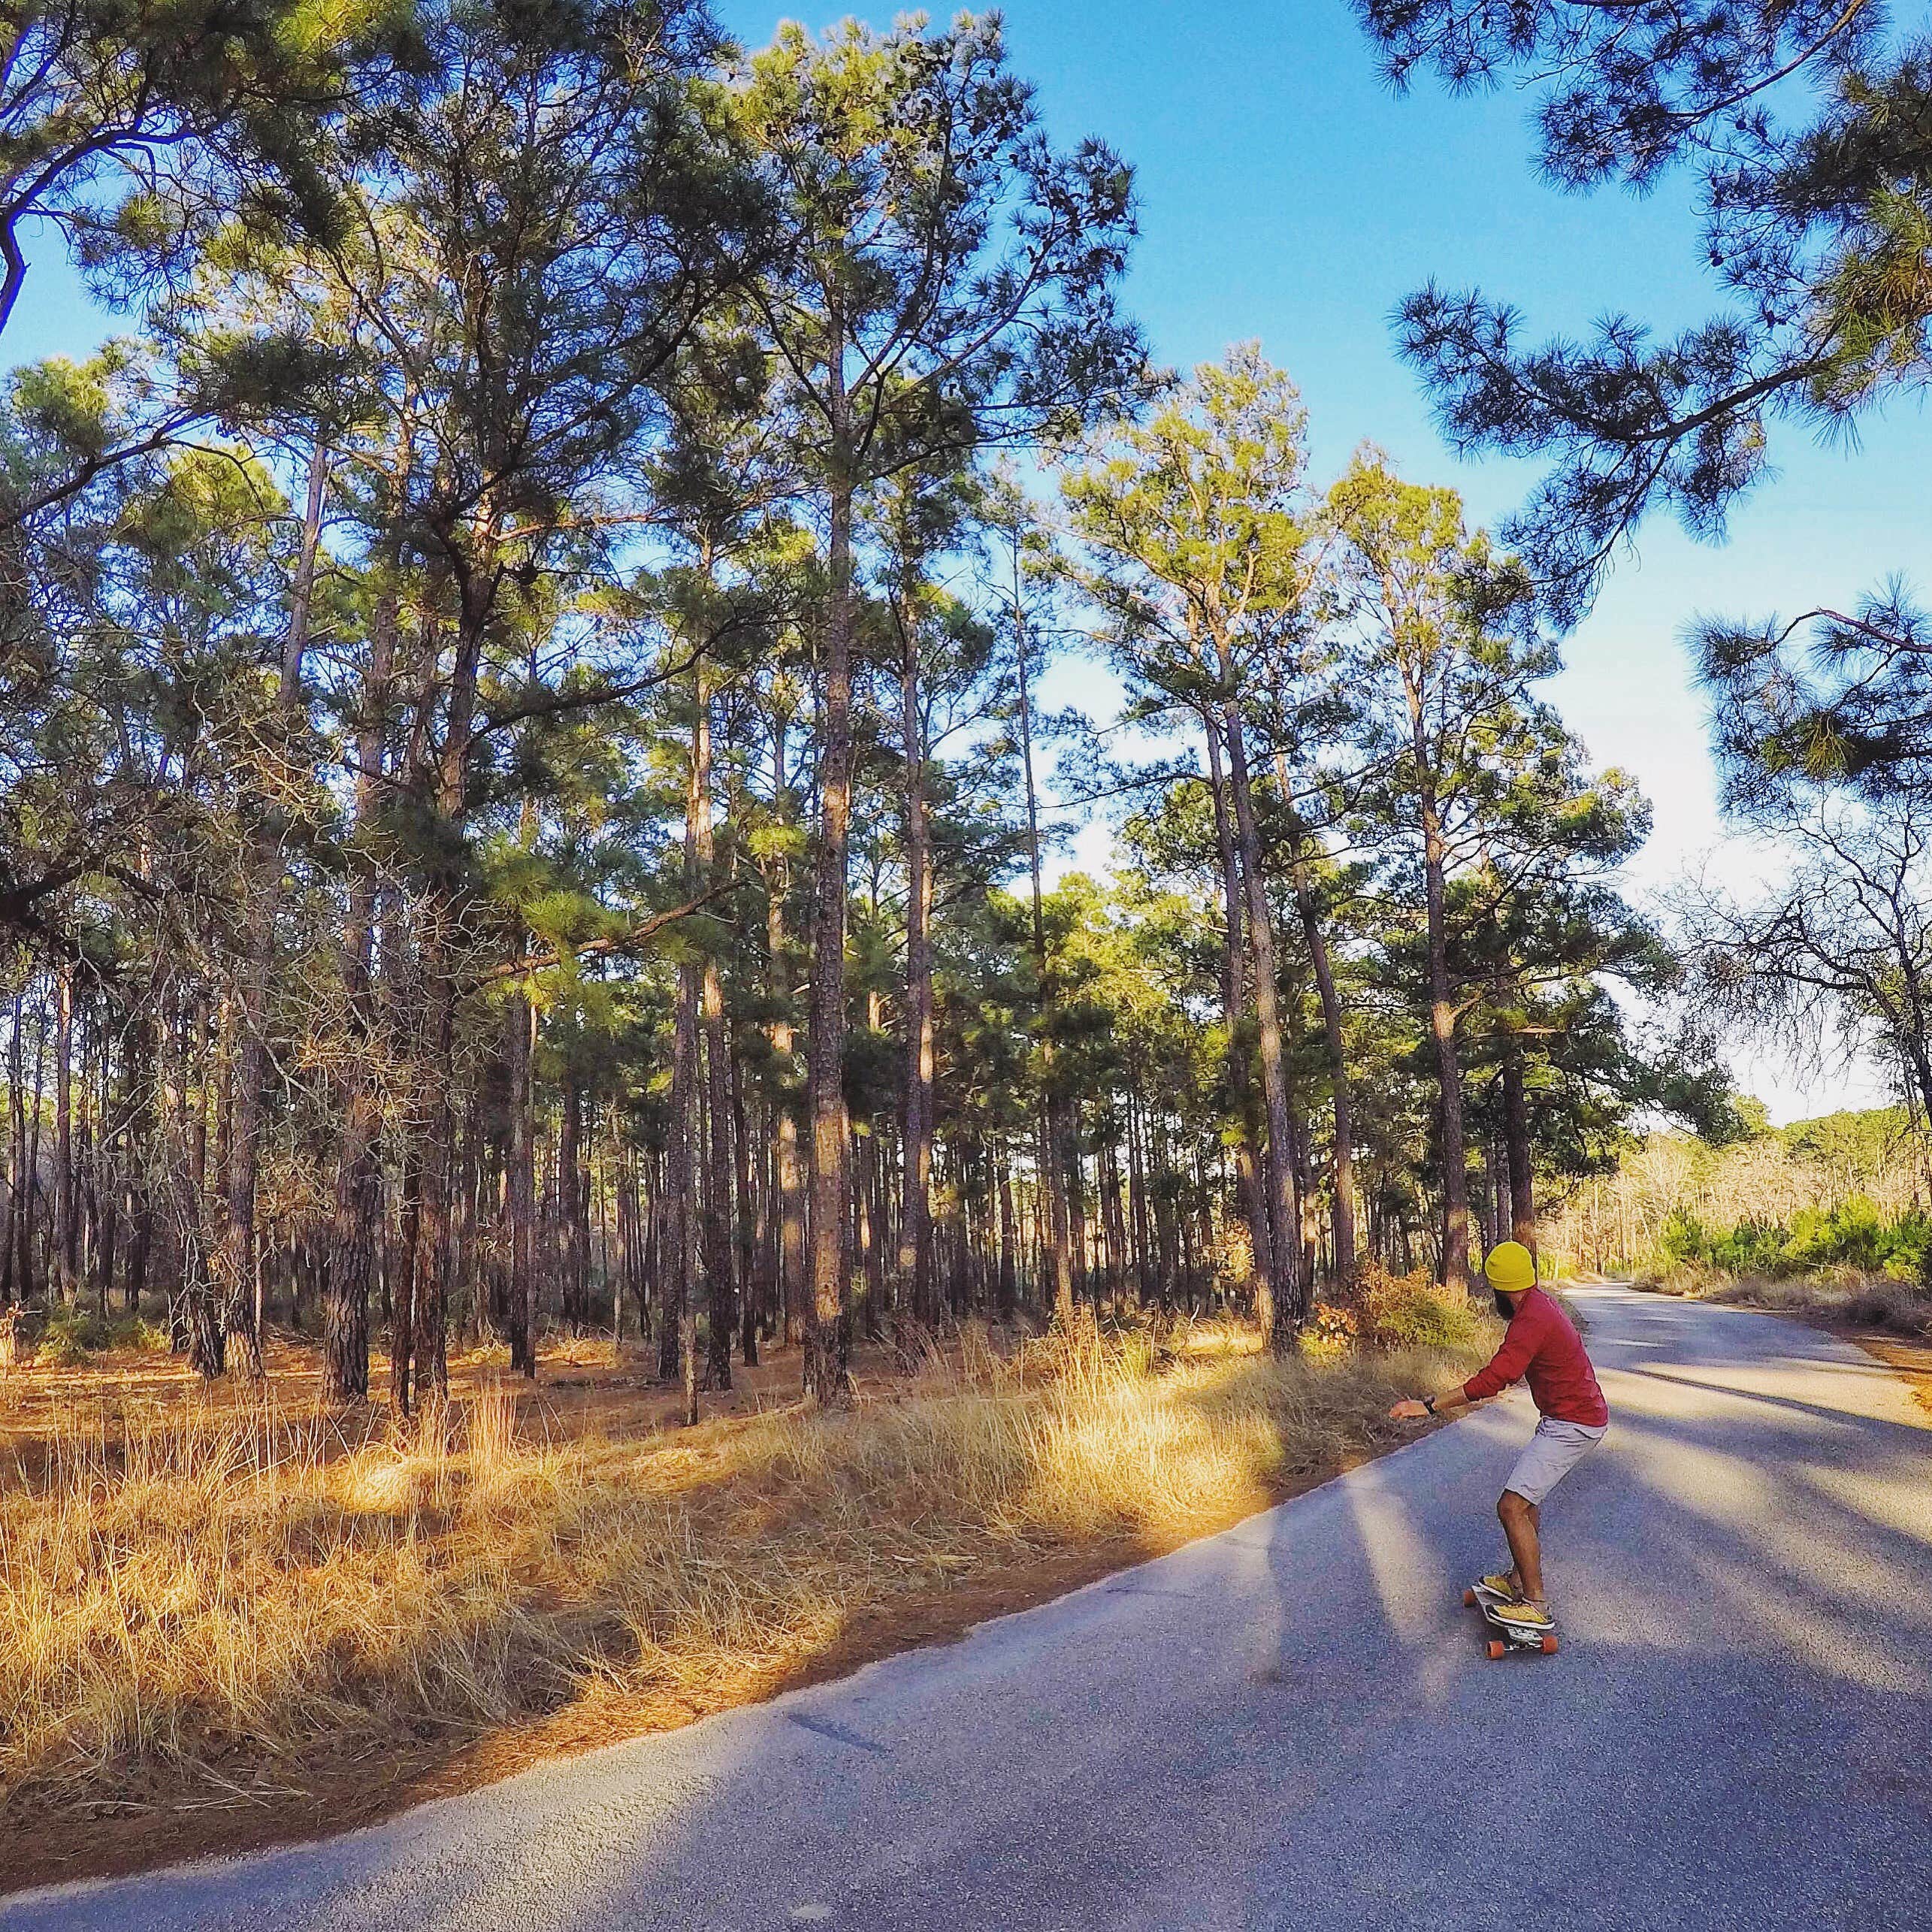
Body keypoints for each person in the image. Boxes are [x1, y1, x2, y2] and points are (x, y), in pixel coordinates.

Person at [1387, 1239, 1608, 1631]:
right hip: (1567, 1417)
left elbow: (1495, 1379)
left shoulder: (1530, 1320)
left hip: (1573, 1423)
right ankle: (1519, 1579)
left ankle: (1536, 1604)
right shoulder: (1539, 1303)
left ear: (1501, 1288)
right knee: (1527, 1500)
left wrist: (1429, 1405)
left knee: (1511, 1507)